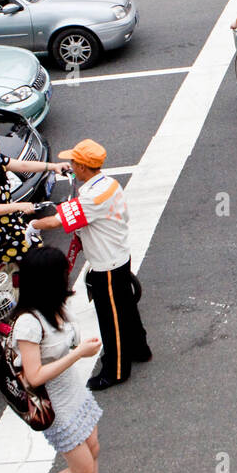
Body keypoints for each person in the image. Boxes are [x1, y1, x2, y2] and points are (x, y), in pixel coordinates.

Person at [12, 247, 125, 473]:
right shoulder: (28, 322)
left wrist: (78, 348)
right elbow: (34, 375)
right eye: (63, 272)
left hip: (75, 392)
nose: (67, 275)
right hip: (55, 404)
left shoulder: (56, 306)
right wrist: (78, 355)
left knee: (93, 448)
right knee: (82, 466)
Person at [36, 139, 151, 390]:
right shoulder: (109, 184)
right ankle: (139, 348)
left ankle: (116, 370)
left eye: (74, 162)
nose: (72, 165)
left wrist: (32, 225)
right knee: (126, 308)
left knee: (112, 319)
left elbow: (57, 222)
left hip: (105, 264)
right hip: (118, 255)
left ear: (83, 167)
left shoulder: (91, 197)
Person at [0, 125, 68, 266]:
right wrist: (19, 206)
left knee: (35, 245)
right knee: (34, 255)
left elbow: (22, 166)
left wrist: (53, 167)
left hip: (9, 222)